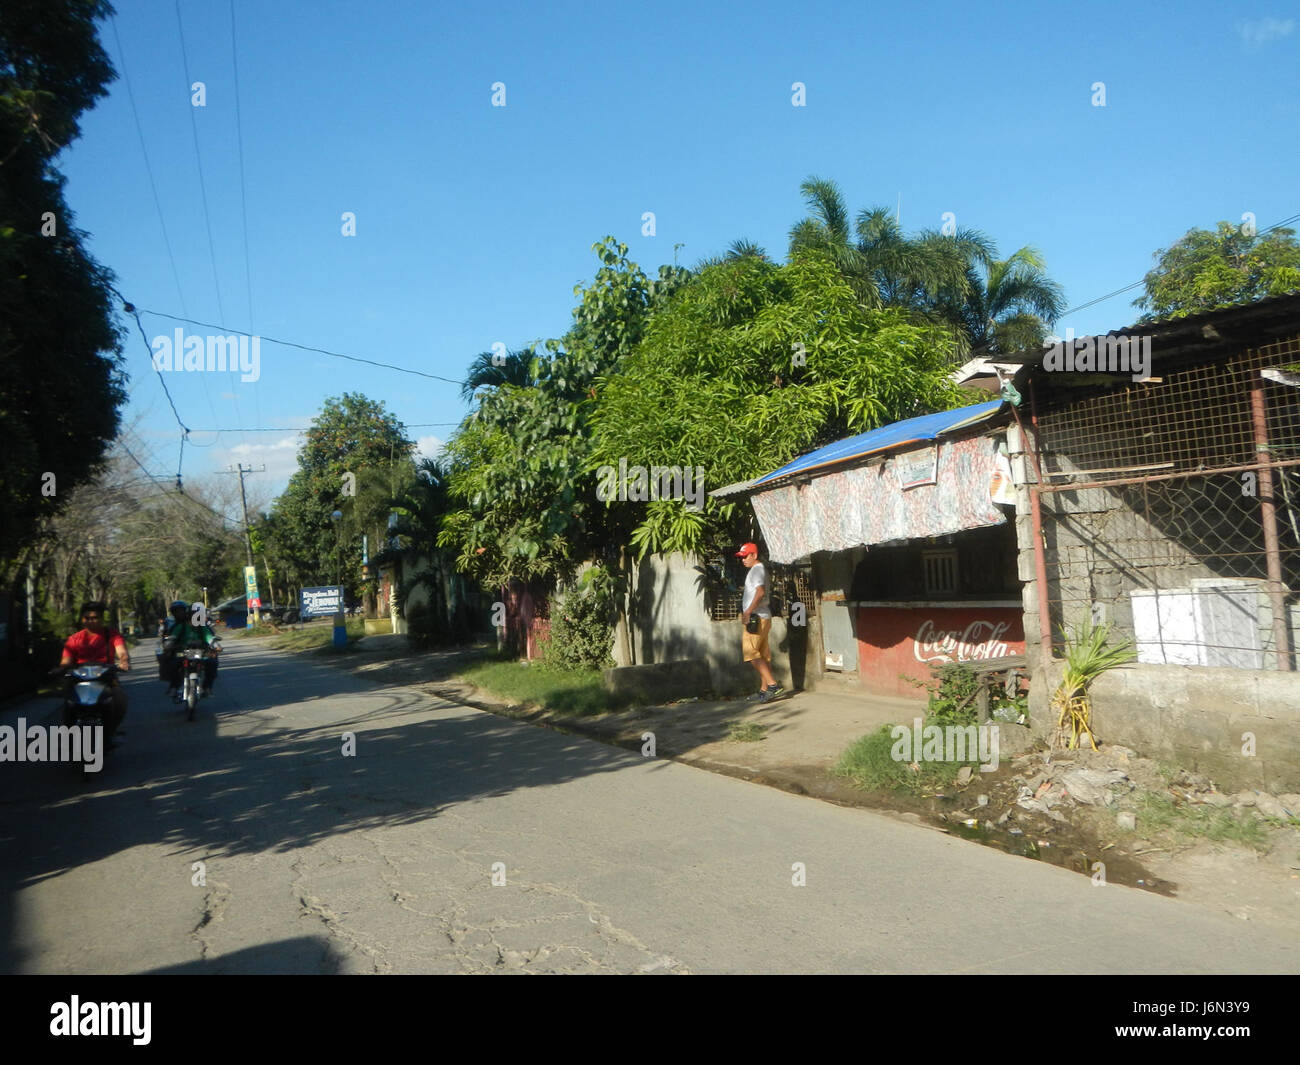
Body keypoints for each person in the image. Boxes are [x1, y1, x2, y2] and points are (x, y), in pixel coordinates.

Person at [57, 601, 130, 741]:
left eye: (95, 617)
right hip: (79, 678)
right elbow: (66, 661)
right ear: (82, 619)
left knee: (120, 699)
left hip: (105, 677)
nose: (91, 621)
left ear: (101, 618)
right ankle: (68, 735)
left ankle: (111, 731)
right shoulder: (74, 639)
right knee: (68, 702)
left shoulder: (112, 635)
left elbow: (122, 652)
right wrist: (60, 669)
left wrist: (123, 661)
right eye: (87, 618)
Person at [737, 542, 785, 702]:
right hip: (763, 617)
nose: (743, 560)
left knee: (751, 654)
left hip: (755, 618)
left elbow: (760, 591)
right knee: (763, 656)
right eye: (741, 557)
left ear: (754, 555)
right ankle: (764, 691)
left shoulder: (756, 570)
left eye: (745, 556)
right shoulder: (759, 570)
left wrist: (748, 612)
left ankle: (772, 685)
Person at [163, 603, 221, 696]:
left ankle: (207, 687)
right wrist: (168, 645)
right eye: (192, 616)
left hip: (199, 652)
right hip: (182, 653)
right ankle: (174, 686)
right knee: (172, 664)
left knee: (212, 663)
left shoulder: (202, 627)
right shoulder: (180, 626)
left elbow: (209, 638)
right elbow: (172, 637)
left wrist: (216, 646)